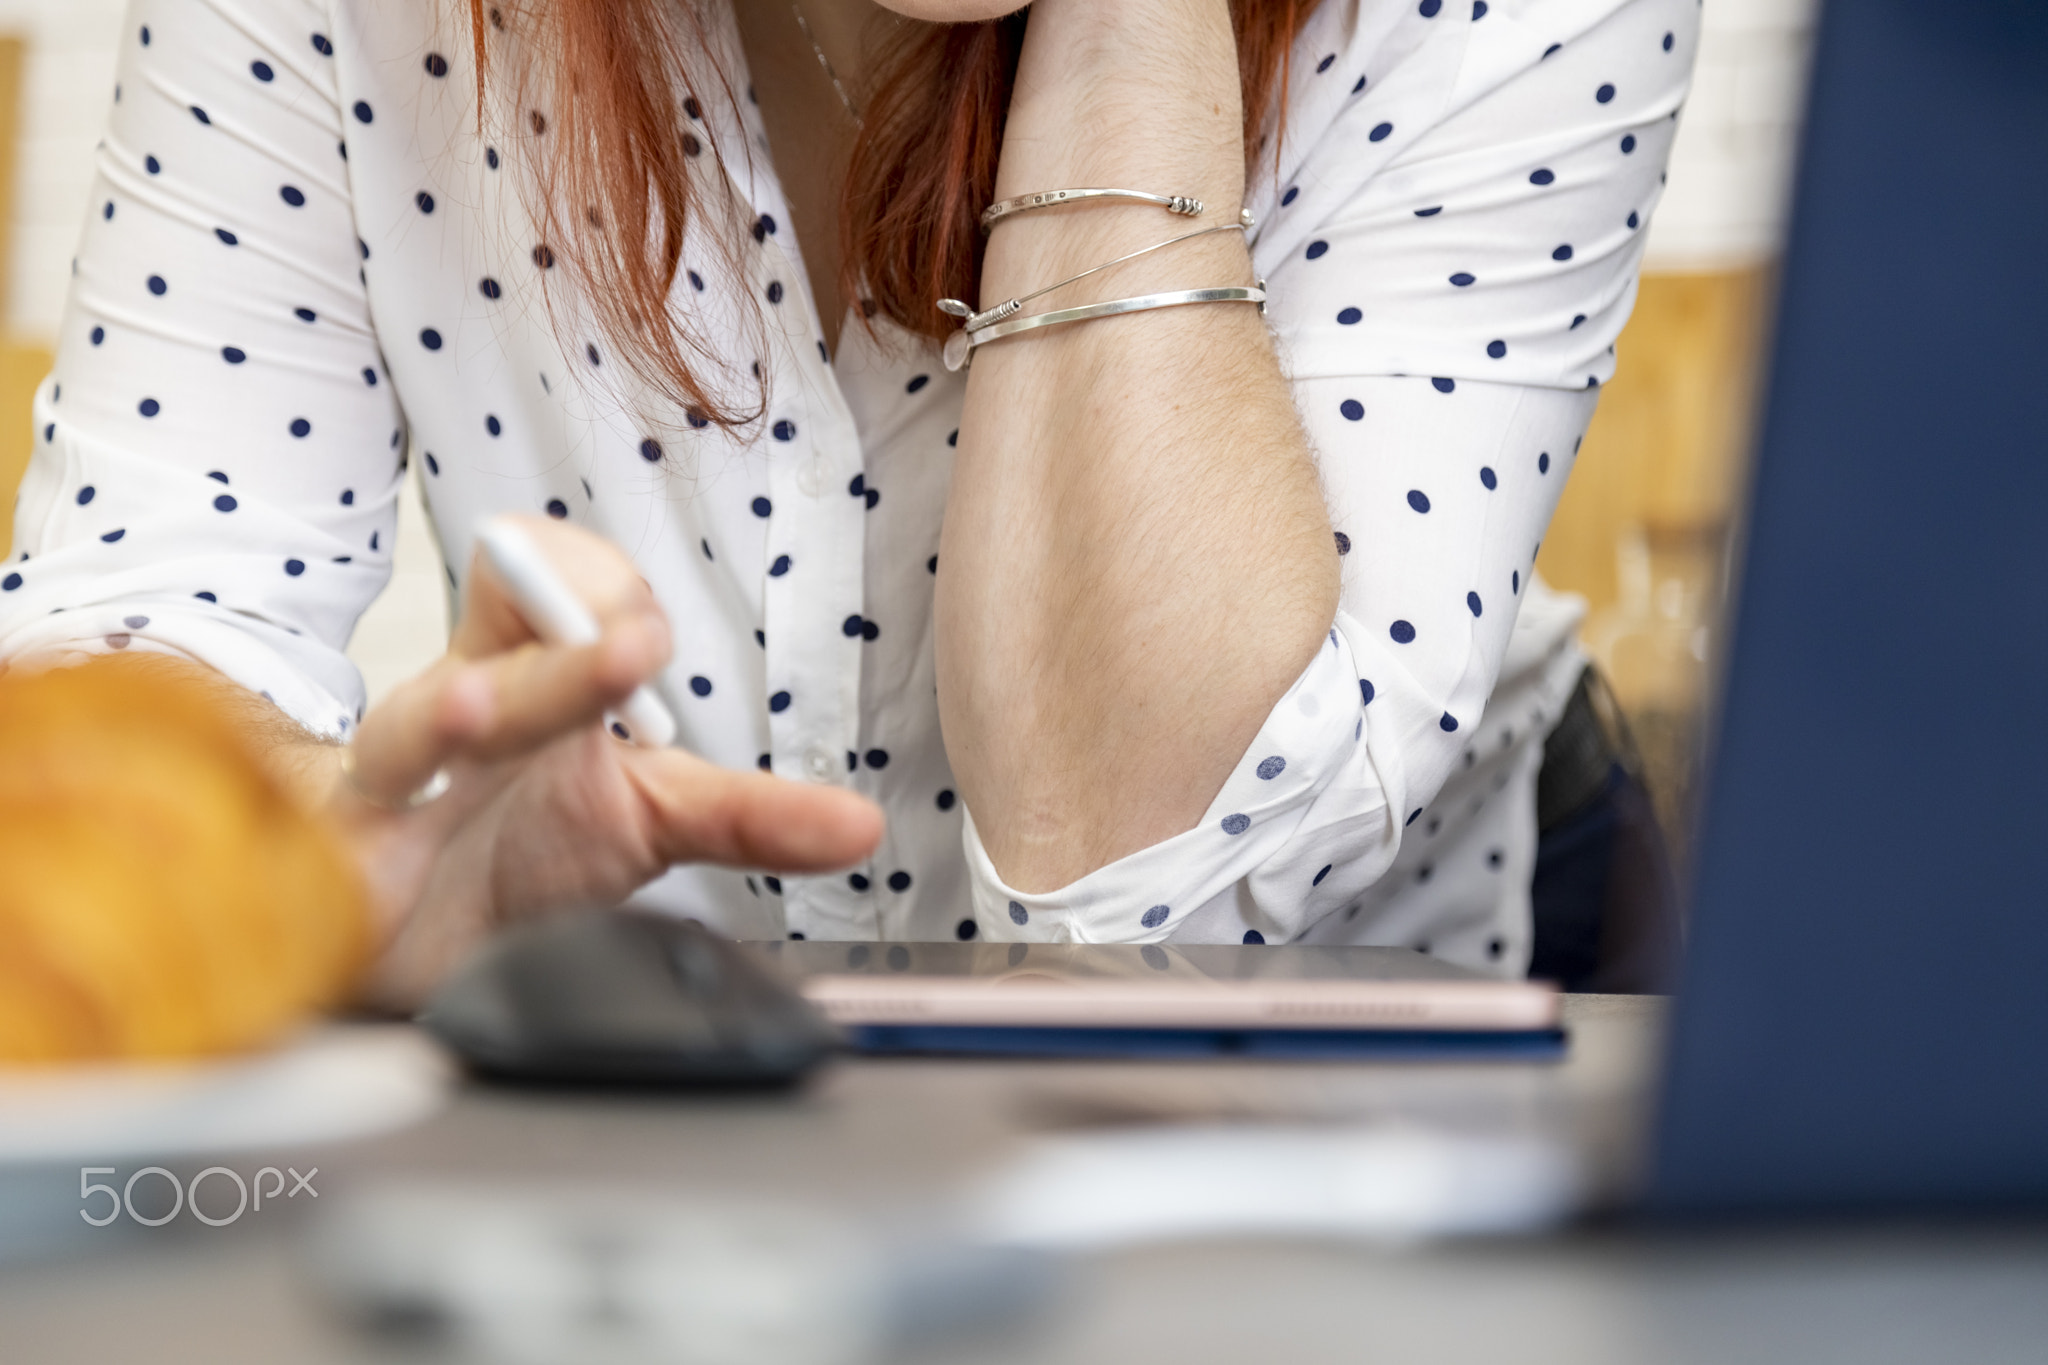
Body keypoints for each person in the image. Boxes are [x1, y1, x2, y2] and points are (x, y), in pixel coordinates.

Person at [0, 0, 1694, 999]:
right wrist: (335, 877)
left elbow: (1156, 862)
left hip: (1398, 1033)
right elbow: (120, 655)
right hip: (677, 1110)